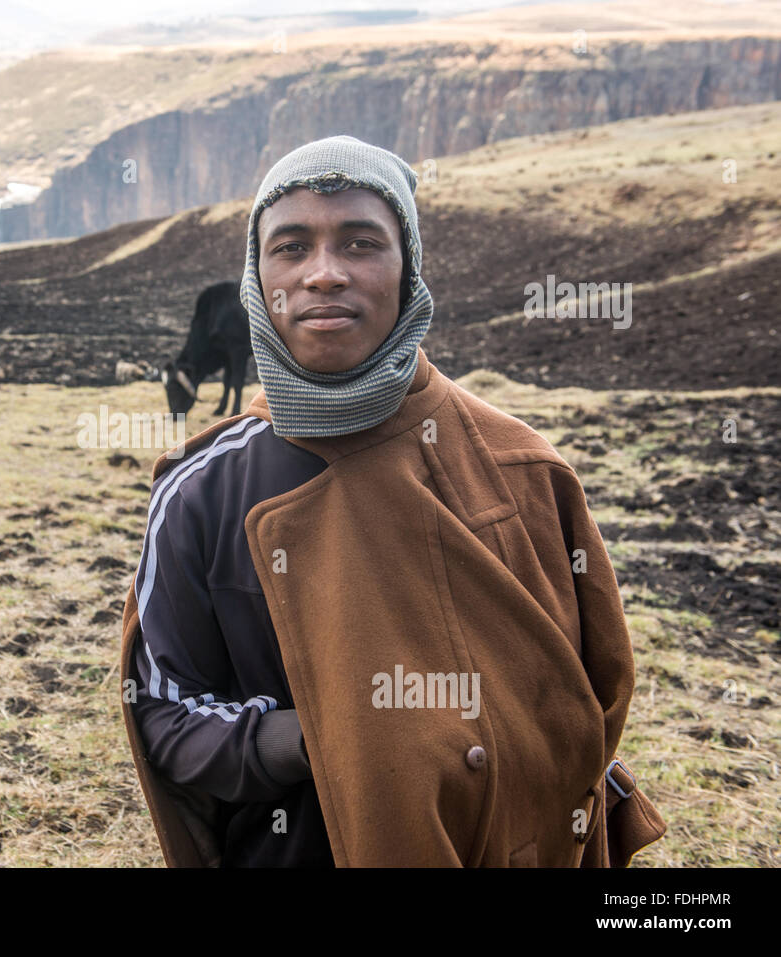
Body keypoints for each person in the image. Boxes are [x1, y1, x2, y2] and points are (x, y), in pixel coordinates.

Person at [118, 134, 666, 867]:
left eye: (360, 242)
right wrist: (322, 737)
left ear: (407, 270)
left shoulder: (524, 467)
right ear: (257, 278)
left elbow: (593, 691)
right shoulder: (203, 489)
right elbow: (165, 708)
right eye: (290, 247)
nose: (324, 274)